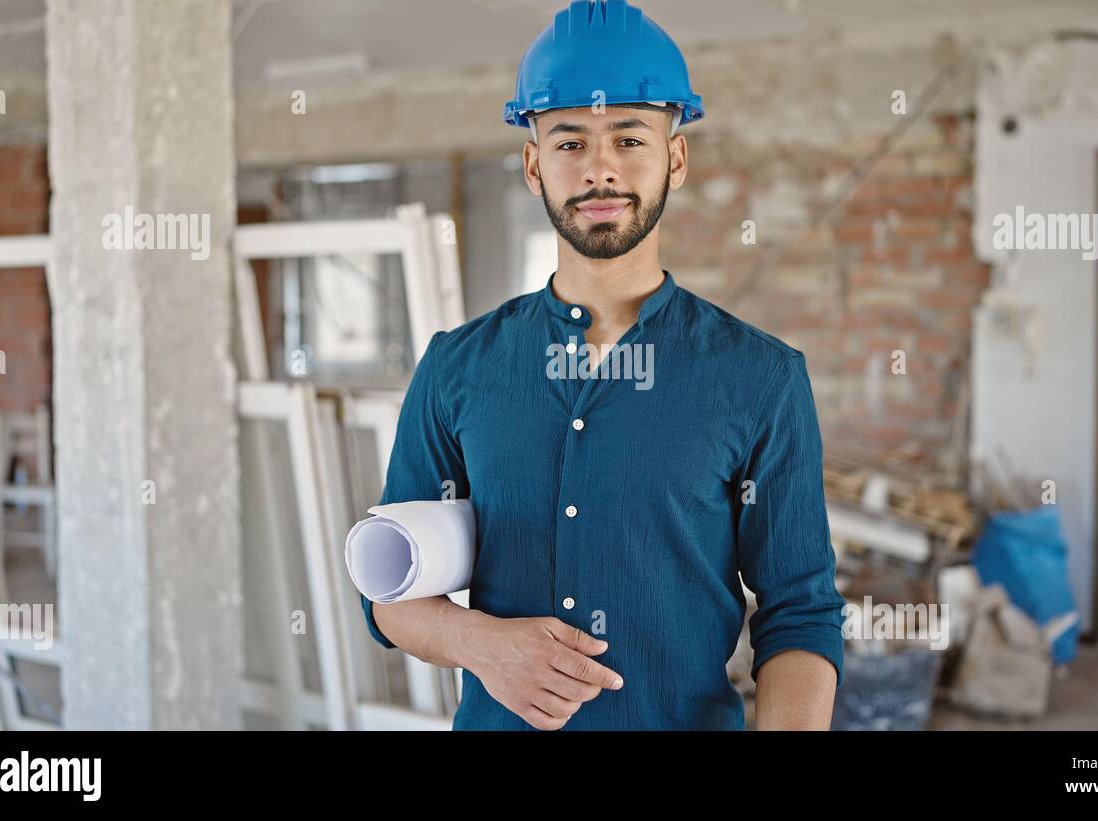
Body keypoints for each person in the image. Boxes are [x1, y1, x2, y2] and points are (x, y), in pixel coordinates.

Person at [360, 0, 844, 730]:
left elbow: (801, 613)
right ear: (532, 165)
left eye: (629, 137)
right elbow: (388, 590)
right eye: (569, 143)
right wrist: (482, 644)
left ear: (674, 159)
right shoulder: (456, 367)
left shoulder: (761, 379)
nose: (600, 169)